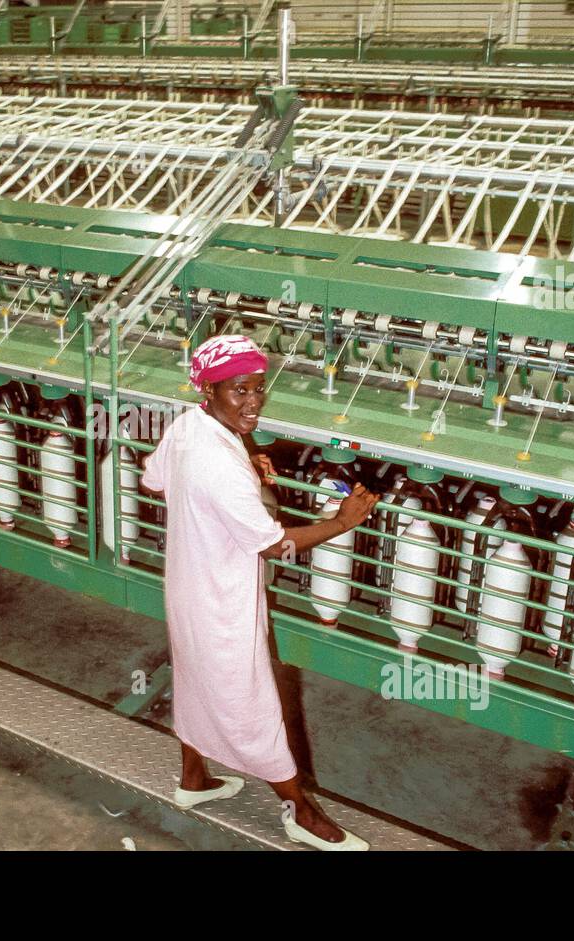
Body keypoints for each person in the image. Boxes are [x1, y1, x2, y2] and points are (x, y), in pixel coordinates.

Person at [140, 334, 380, 851]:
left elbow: (153, 481)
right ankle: (300, 813)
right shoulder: (219, 461)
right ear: (209, 390)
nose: (253, 403)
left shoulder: (188, 426)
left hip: (186, 587)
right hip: (220, 601)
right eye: (239, 392)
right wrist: (342, 521)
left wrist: (247, 468)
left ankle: (193, 780)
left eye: (258, 389)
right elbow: (275, 546)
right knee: (248, 705)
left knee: (195, 680)